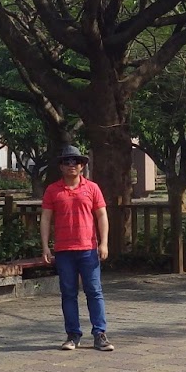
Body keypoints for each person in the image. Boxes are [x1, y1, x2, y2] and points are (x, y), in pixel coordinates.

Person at [40, 144, 113, 351]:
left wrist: (104, 243)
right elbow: (45, 219)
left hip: (88, 248)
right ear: (61, 166)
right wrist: (45, 246)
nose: (71, 165)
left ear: (82, 166)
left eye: (76, 162)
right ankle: (73, 335)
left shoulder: (92, 188)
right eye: (67, 162)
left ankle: (100, 334)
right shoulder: (52, 190)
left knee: (94, 291)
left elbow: (102, 215)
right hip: (64, 250)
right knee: (68, 293)